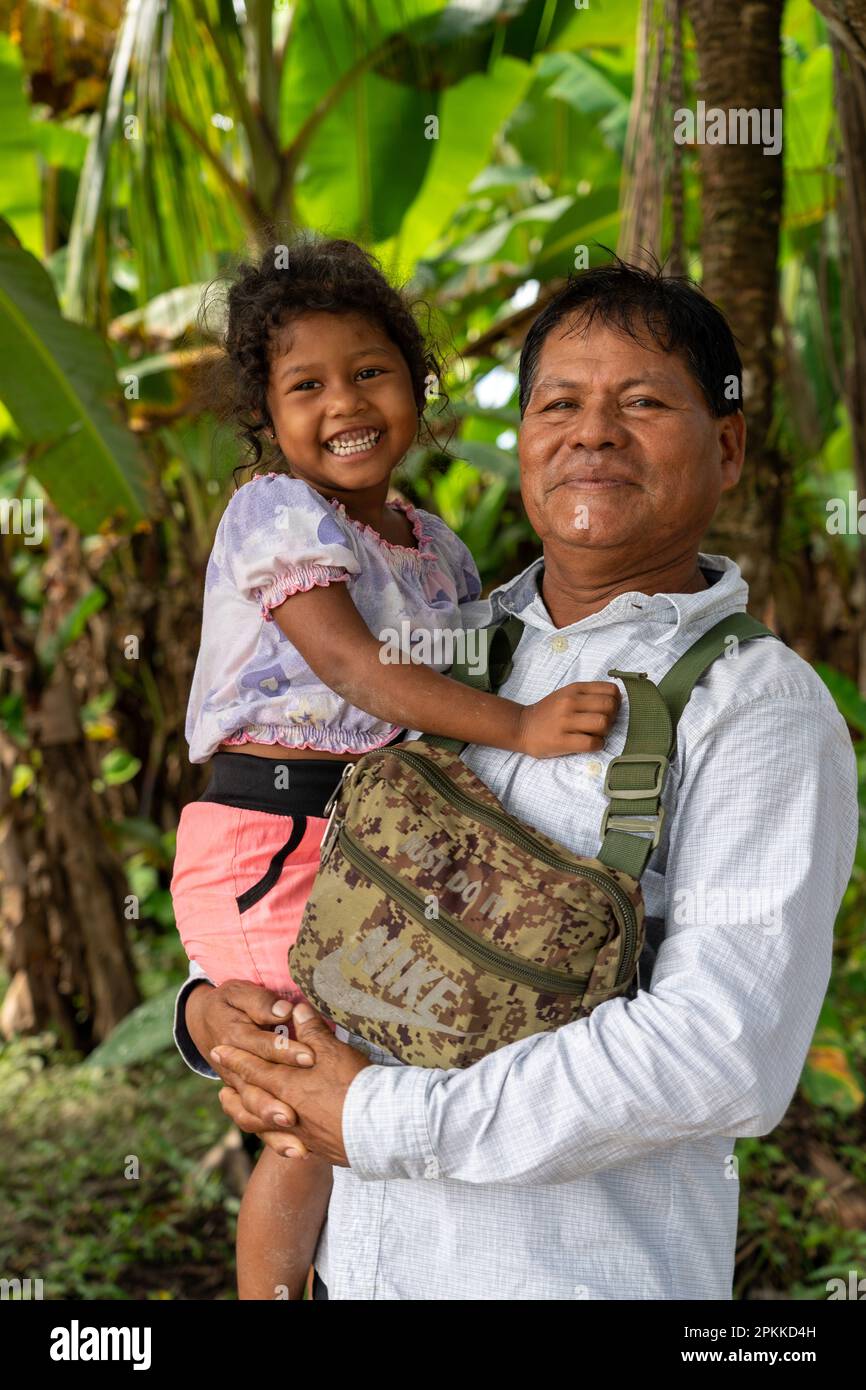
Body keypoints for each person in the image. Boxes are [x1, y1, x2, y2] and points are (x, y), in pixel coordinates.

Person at [174, 258, 859, 1300]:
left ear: (723, 445)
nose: (590, 432)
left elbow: (718, 1052)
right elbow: (336, 893)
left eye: (640, 401)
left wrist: (373, 1117)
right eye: (559, 403)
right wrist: (211, 1016)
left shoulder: (754, 708)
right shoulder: (448, 640)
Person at [169, 235, 623, 1300]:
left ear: (415, 385)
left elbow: (453, 677)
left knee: (372, 1083)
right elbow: (354, 668)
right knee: (301, 1110)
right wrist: (522, 726)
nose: (344, 403)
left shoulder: (437, 548)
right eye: (306, 385)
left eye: (370, 372)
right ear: (266, 414)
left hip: (371, 846)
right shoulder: (273, 513)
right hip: (270, 841)